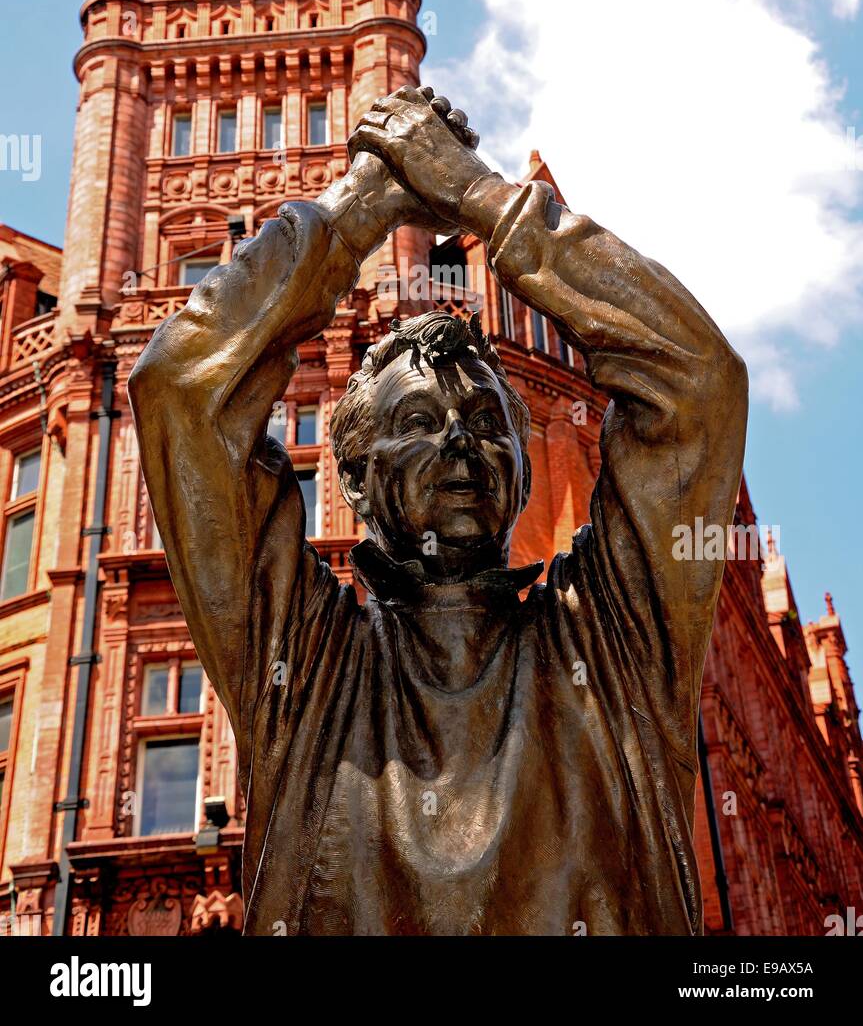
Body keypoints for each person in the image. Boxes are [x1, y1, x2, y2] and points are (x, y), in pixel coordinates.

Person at [129, 85, 748, 935]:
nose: (460, 442)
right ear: (352, 475)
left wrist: (477, 196)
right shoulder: (303, 665)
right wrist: (359, 211)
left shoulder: (612, 642)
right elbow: (179, 390)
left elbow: (699, 381)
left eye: (487, 422)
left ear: (522, 475)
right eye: (418, 422)